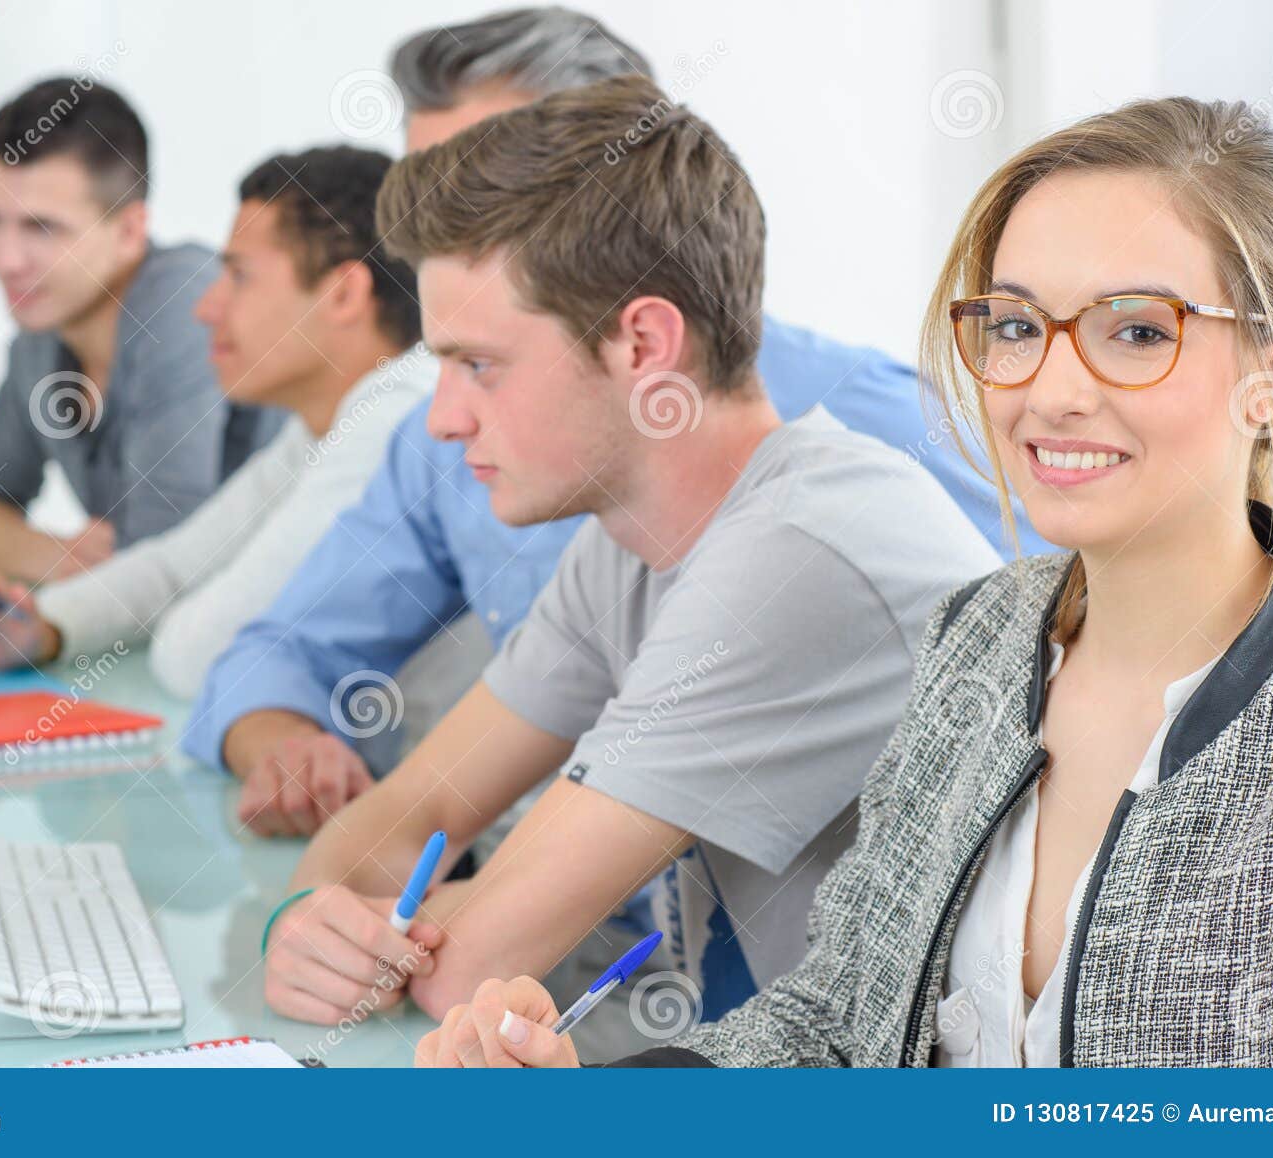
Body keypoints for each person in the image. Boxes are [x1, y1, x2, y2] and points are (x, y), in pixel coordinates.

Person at [417, 95, 1273, 1069]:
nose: (1051, 391)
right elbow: (843, 1013)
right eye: (1016, 327)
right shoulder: (978, 636)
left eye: (1138, 331)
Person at [257, 76, 999, 1034]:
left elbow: (468, 969)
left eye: (478, 364)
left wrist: (374, 936)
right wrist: (308, 922)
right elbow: (389, 832)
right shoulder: (632, 541)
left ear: (644, 341)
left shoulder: (802, 552)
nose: (444, 418)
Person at [182, 5, 1037, 837]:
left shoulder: (865, 419)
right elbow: (274, 655)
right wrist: (288, 746)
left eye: (504, 177)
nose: (449, 238)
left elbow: (1048, 658)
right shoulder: (450, 449)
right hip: (561, 935)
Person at [0, 147, 430, 698]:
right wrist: (41, 626)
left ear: (344, 294)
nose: (206, 307)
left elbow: (197, 652)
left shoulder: (393, 424)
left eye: (237, 276)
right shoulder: (316, 429)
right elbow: (173, 568)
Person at [0, 78, 284, 583]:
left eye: (42, 228)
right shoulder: (43, 334)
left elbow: (159, 566)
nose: (6, 258)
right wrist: (50, 556)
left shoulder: (186, 303)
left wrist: (72, 567)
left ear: (128, 231)